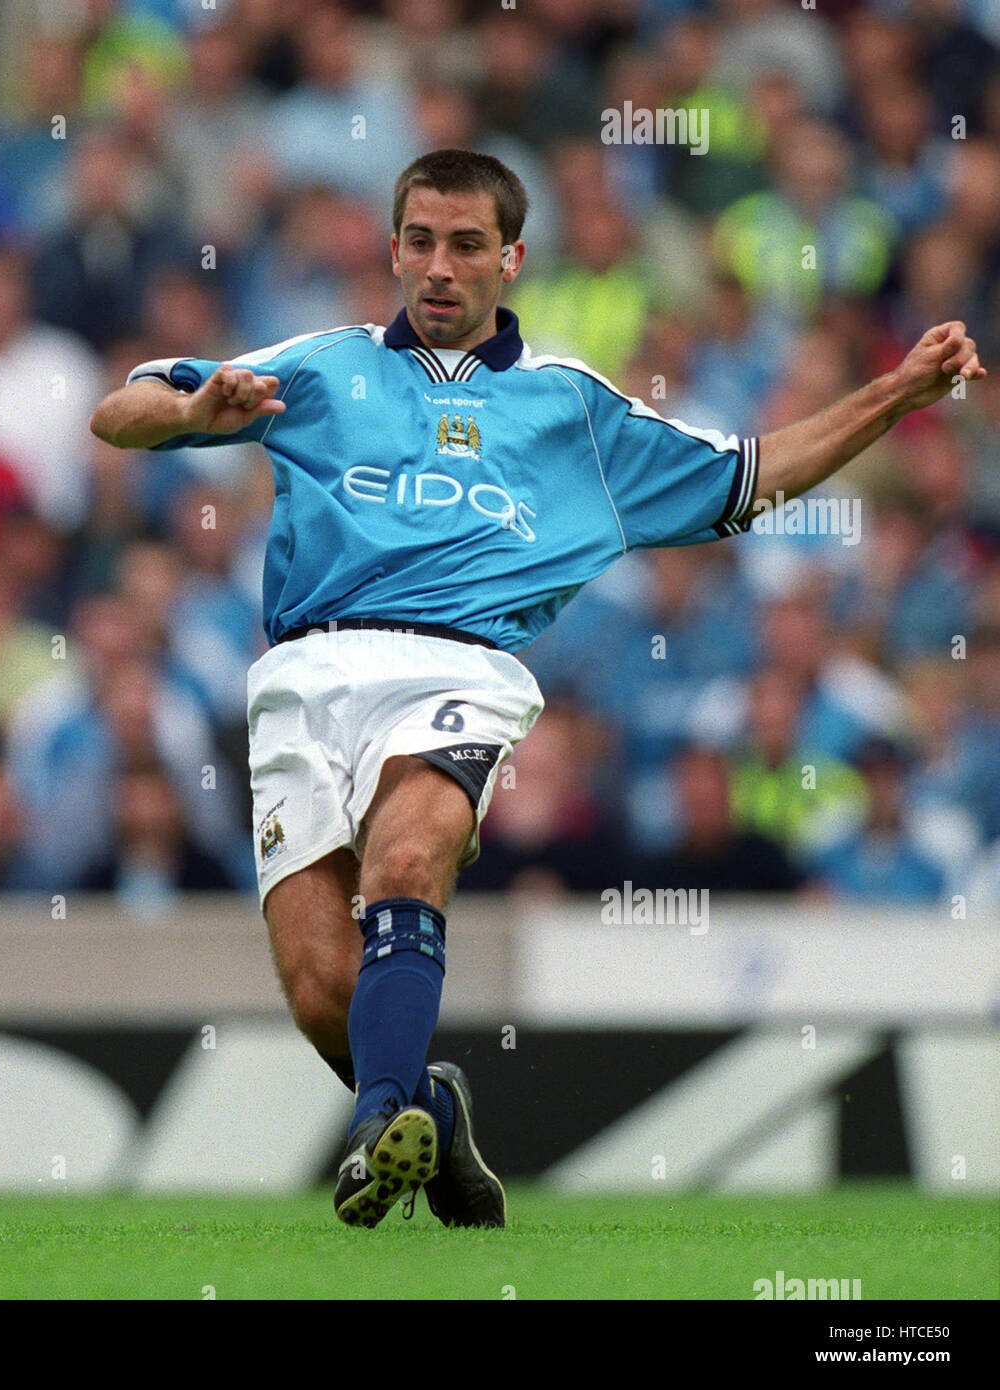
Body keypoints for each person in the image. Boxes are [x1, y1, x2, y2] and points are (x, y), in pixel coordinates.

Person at [90, 148, 986, 1231]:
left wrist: (897, 392)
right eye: (418, 240)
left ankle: (377, 1128)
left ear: (510, 259)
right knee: (324, 989)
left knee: (409, 859)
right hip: (300, 676)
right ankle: (424, 1107)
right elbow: (119, 412)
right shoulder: (320, 365)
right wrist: (190, 414)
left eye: (465, 244)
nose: (437, 266)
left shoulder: (570, 409)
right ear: (390, 247)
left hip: (455, 667)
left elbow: (752, 474)